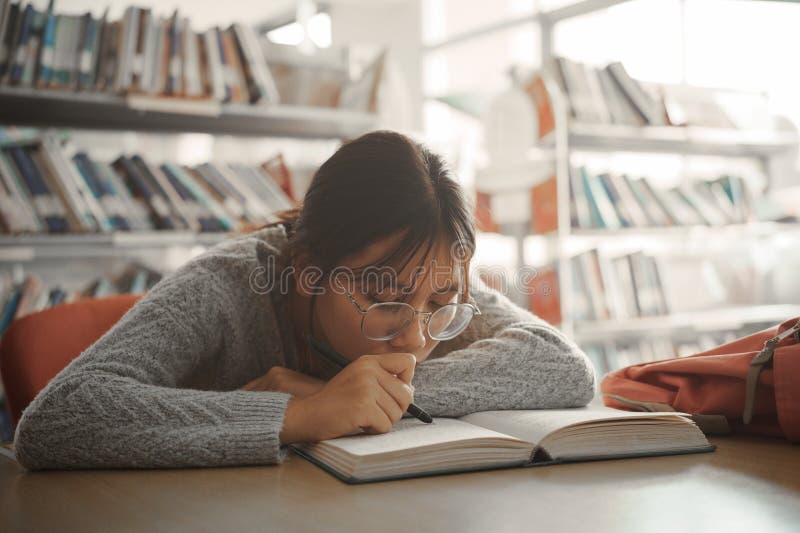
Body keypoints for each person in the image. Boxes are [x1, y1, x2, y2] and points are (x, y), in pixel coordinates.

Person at [14, 130, 595, 470]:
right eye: (384, 299)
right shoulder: (231, 283)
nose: (416, 340)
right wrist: (299, 415)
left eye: (441, 303)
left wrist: (364, 397)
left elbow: (561, 363)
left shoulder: (427, 273)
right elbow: (59, 417)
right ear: (309, 271)